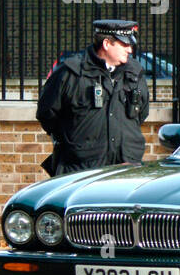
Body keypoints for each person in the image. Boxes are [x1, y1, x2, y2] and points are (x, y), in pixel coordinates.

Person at [36, 19, 148, 176]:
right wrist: (74, 142)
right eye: (124, 44)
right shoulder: (71, 73)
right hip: (80, 169)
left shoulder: (135, 74)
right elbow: (47, 114)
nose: (130, 50)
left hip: (125, 168)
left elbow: (141, 113)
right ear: (107, 44)